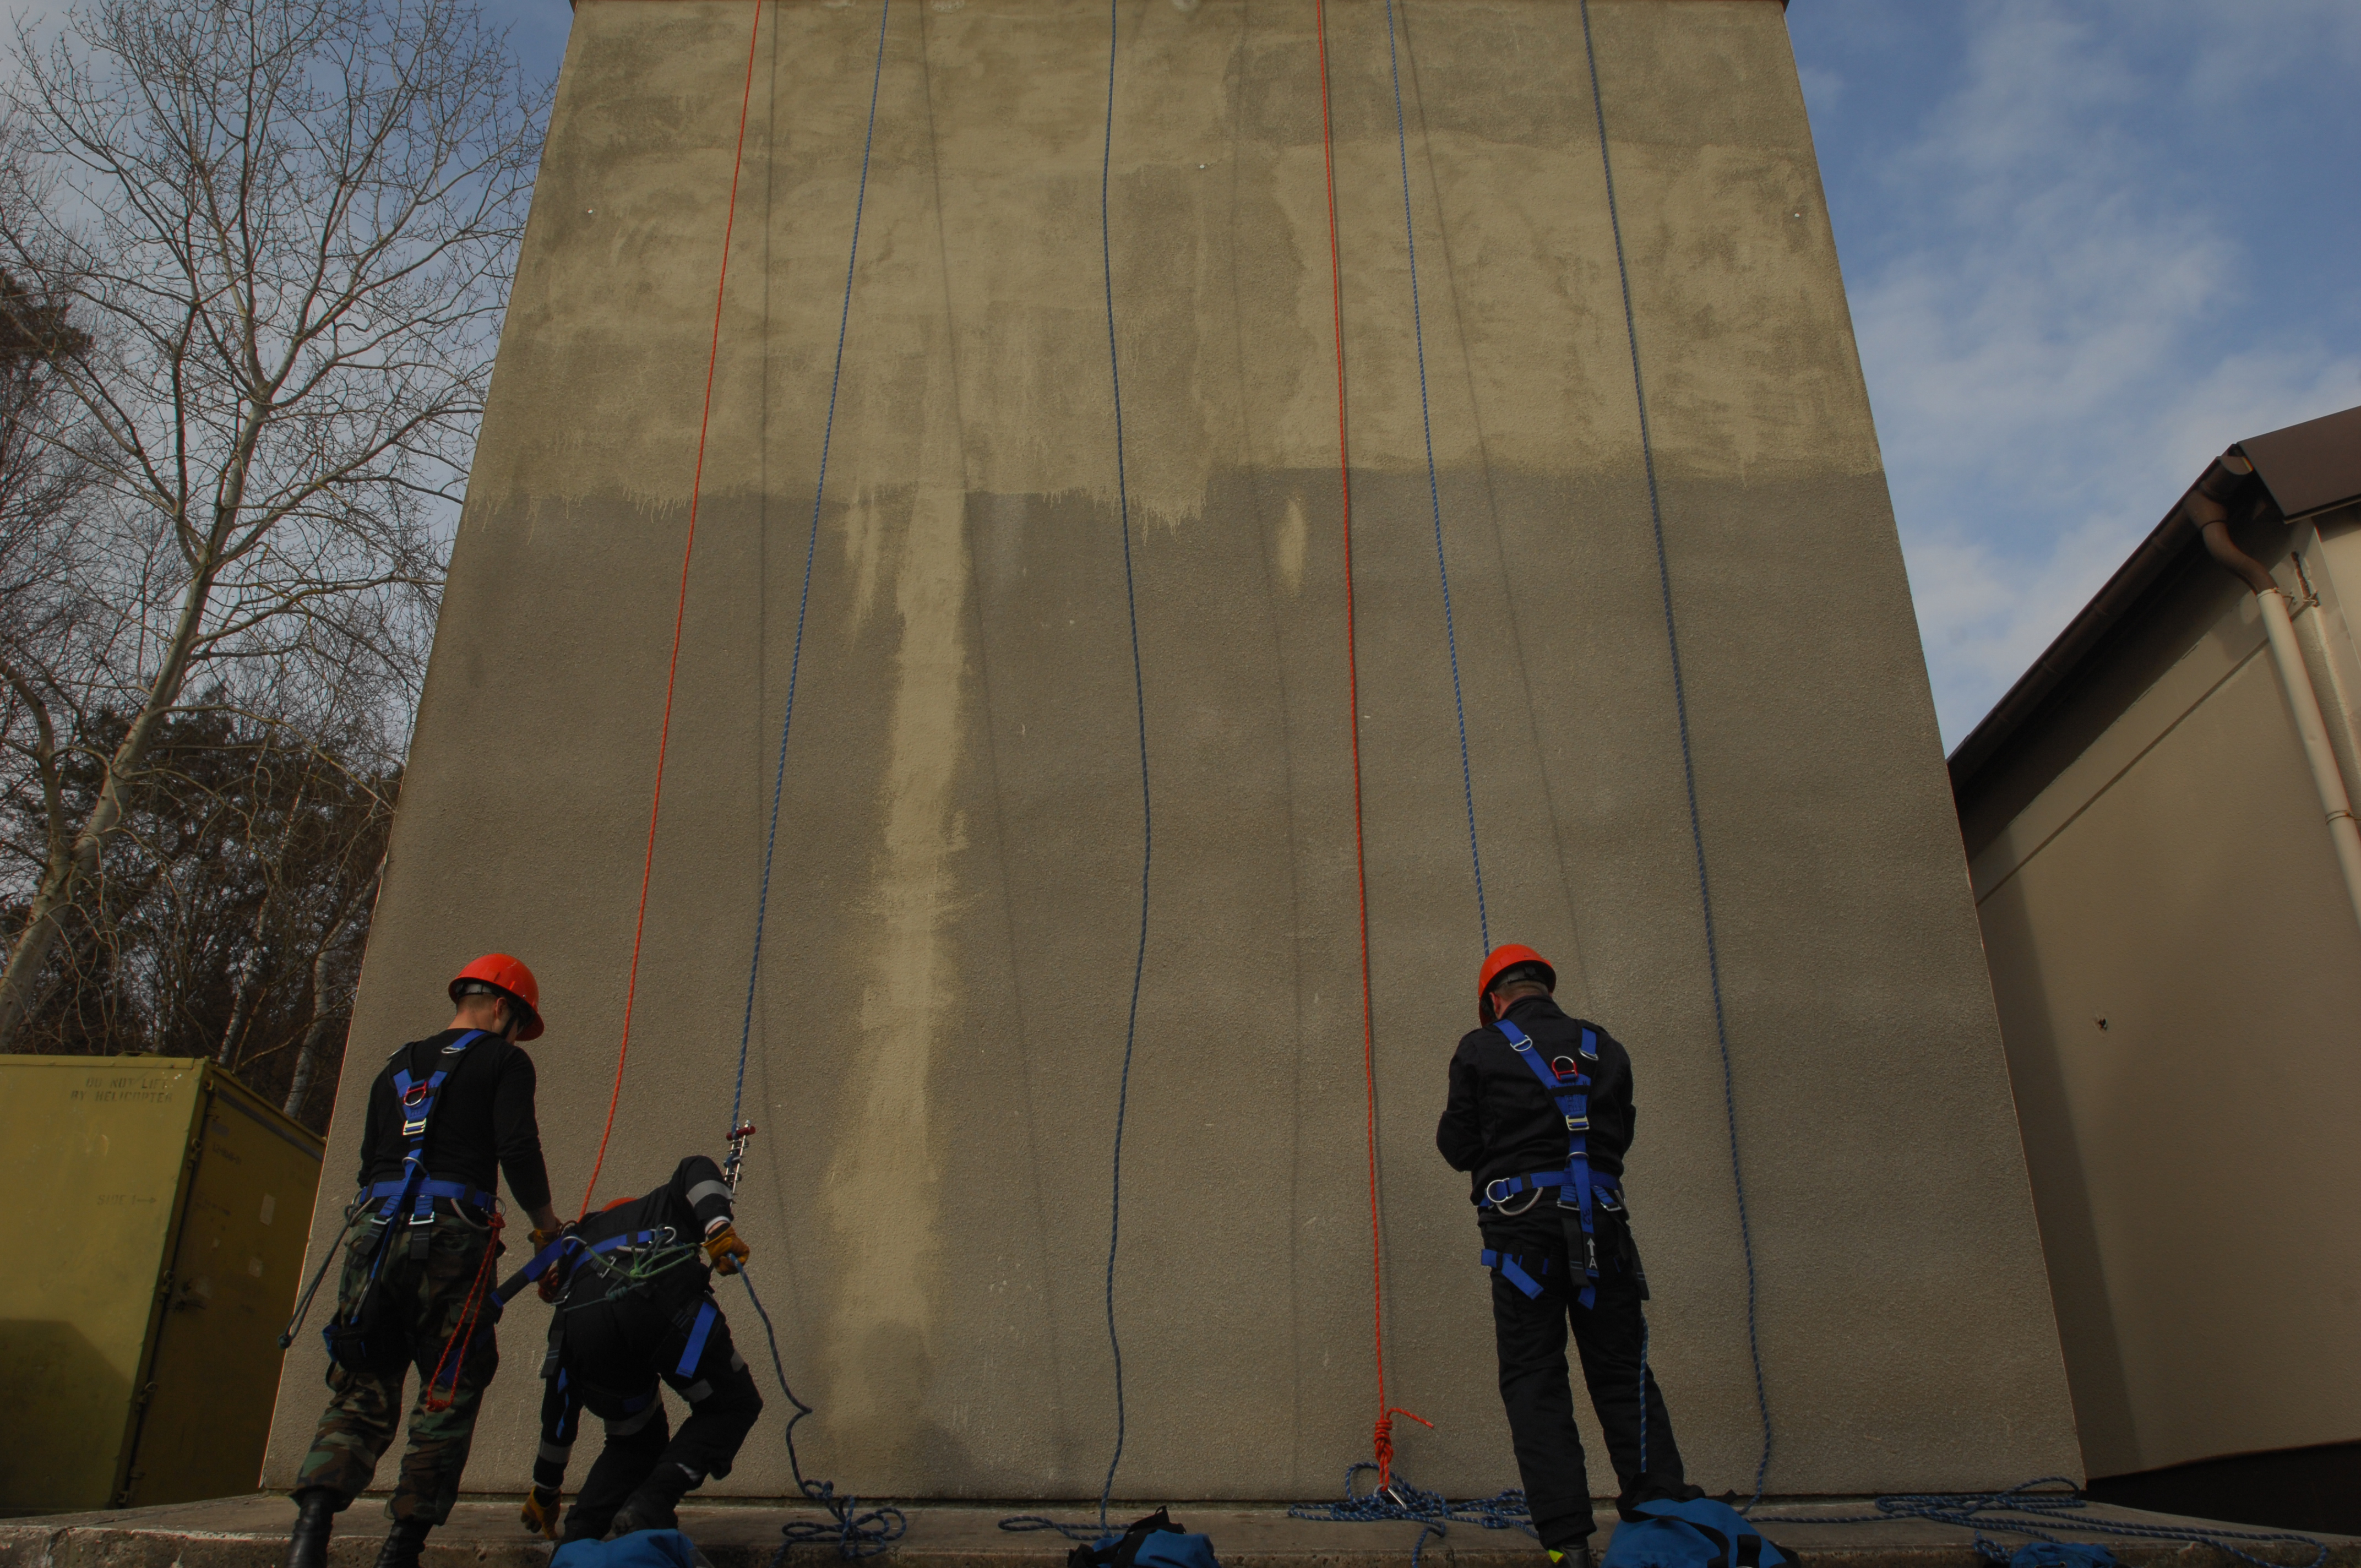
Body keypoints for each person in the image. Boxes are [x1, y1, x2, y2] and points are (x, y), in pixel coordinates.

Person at [286, 954, 566, 1568]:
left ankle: (309, 1536)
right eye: (518, 1025)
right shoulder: (505, 1060)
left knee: (361, 1388)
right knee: (447, 1389)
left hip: (373, 1235)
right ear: (503, 1009)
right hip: (452, 1239)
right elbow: (517, 1146)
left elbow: (368, 1162)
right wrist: (546, 1226)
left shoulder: (395, 1064)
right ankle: (401, 1551)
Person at [1436, 944, 1702, 1568]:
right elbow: (1620, 1134)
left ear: (1493, 1001)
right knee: (1622, 1371)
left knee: (1534, 1375)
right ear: (1544, 990)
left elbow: (1456, 1145)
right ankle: (1663, 1518)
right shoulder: (1602, 1046)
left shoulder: (1479, 1048)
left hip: (1522, 1239)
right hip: (1602, 1229)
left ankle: (1567, 1540)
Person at [513, 1153, 763, 1542]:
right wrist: (717, 1226)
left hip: (588, 1335)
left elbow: (559, 1401)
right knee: (731, 1404)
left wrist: (546, 1488)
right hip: (669, 1316)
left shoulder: (580, 1256)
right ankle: (650, 1505)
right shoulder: (657, 1207)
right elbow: (696, 1167)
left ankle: (579, 1535)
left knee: (634, 1442)